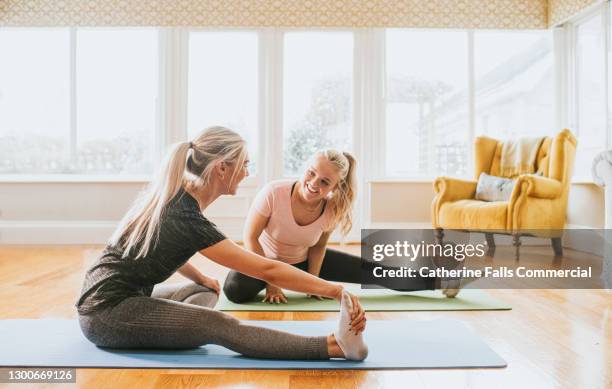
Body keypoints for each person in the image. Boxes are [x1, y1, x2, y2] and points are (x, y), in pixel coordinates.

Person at [75, 126, 368, 361]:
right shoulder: (186, 216)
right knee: (220, 325)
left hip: (127, 295)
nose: (247, 173)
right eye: (244, 165)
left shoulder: (179, 199)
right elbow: (268, 270)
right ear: (222, 169)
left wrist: (201, 277)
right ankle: (334, 347)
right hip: (105, 313)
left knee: (205, 290)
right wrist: (335, 290)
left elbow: (162, 248)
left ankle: (175, 325)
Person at [223, 150, 462, 305]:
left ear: (335, 187)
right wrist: (271, 281)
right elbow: (250, 238)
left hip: (302, 261)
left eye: (325, 181)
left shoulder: (331, 209)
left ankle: (440, 280)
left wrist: (312, 281)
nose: (314, 183)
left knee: (371, 271)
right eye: (311, 173)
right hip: (263, 260)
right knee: (235, 290)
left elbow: (318, 247)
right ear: (305, 168)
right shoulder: (273, 192)